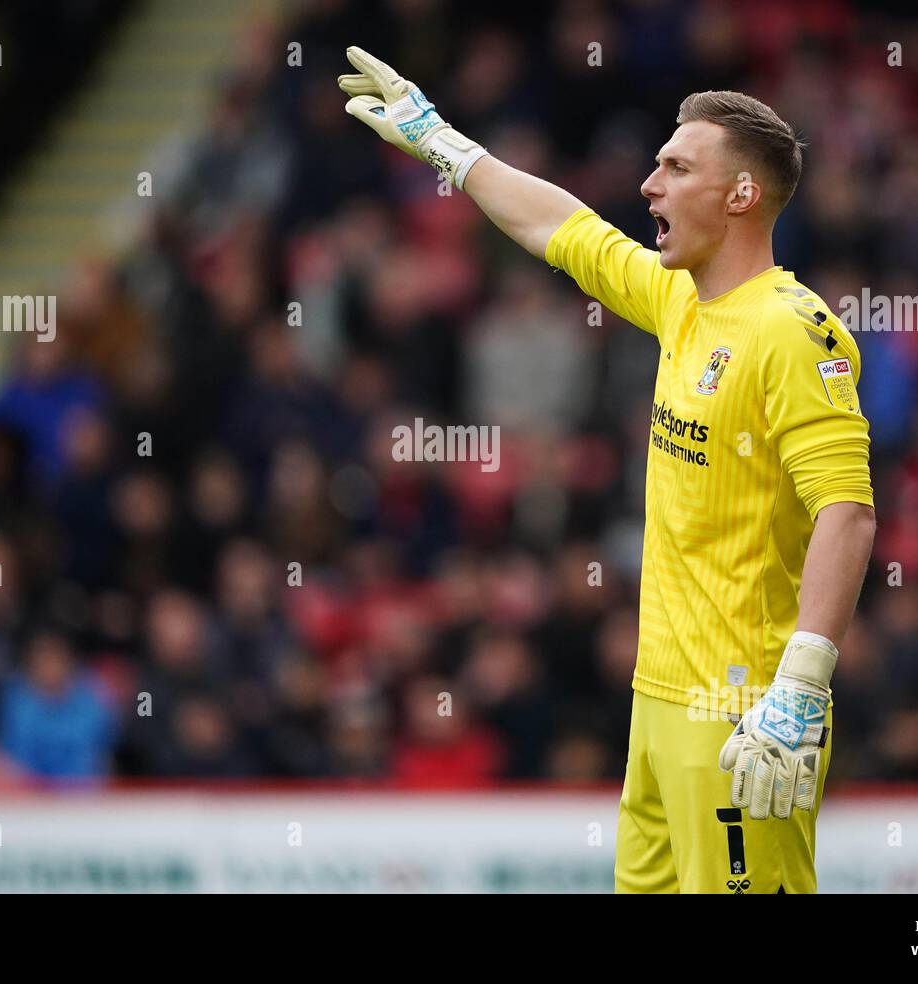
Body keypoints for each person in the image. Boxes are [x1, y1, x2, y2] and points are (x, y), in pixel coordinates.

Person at [338, 47, 876, 893]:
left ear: (740, 195)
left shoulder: (790, 332)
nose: (649, 185)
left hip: (745, 713)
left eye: (675, 167)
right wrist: (441, 140)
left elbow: (848, 510)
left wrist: (801, 688)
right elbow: (559, 228)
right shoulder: (682, 301)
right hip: (659, 701)